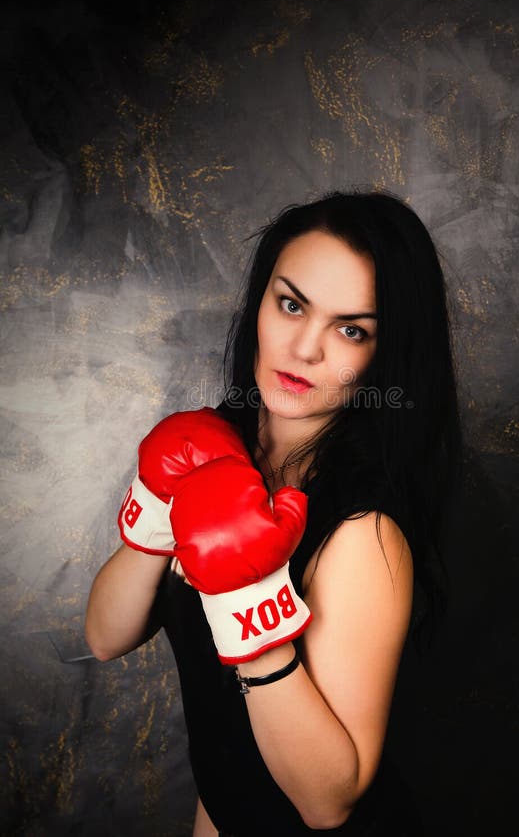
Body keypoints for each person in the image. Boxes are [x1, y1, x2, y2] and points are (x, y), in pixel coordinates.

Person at [85, 189, 463, 836]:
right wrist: (155, 514)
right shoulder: (207, 449)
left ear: (386, 354)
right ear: (261, 300)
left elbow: (328, 803)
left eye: (351, 329)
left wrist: (248, 596)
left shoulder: (363, 534)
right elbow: (105, 637)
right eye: (291, 304)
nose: (305, 348)